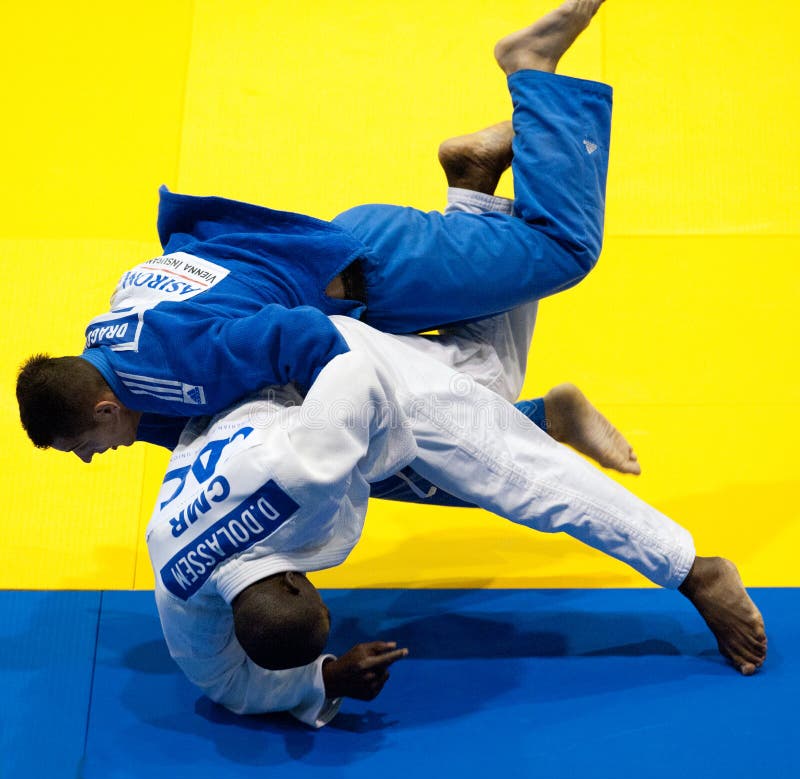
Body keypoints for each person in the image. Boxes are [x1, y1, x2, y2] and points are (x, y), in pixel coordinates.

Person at [142, 5, 767, 728]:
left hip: (351, 338)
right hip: (296, 373)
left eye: (320, 601)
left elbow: (497, 458)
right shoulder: (179, 576)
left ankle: (696, 572)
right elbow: (230, 682)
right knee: (471, 446)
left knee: (516, 446)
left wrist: (685, 567)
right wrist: (324, 678)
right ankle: (473, 191)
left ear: (297, 581)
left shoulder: (302, 464)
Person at [17, 0, 613, 460]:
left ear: (102, 410)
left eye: (81, 450)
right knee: (449, 419)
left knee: (563, 248)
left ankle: (533, 70)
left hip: (386, 269)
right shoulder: (117, 338)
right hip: (355, 272)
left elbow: (298, 334)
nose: (94, 460)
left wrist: (343, 424)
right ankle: (473, 171)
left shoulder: (175, 361)